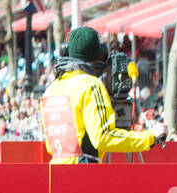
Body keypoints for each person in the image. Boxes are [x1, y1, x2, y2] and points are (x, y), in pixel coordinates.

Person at [41, 26, 166, 164]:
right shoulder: (90, 85)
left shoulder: (51, 90)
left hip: (55, 175)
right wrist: (150, 137)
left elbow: (50, 145)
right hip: (86, 175)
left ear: (66, 52)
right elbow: (103, 137)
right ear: (99, 53)